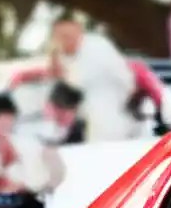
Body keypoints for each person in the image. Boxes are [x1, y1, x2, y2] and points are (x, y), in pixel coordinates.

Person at [50, 14, 138, 142]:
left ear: (78, 30)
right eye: (61, 36)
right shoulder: (64, 56)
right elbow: (67, 82)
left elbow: (123, 75)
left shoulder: (97, 46)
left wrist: (129, 94)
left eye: (68, 35)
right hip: (88, 109)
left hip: (109, 103)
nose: (66, 40)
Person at [0, 94, 64, 205]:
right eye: (5, 120)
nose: (8, 125)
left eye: (10, 121)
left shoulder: (10, 139)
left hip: (20, 193)